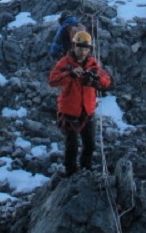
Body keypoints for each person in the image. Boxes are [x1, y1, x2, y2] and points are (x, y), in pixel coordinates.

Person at [48, 30, 112, 176]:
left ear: (89, 49)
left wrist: (96, 79)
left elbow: (107, 81)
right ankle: (70, 172)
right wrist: (69, 74)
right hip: (69, 110)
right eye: (79, 47)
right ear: (74, 46)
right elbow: (52, 80)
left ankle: (86, 169)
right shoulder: (65, 62)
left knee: (89, 144)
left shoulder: (93, 64)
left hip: (87, 110)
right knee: (72, 145)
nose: (82, 51)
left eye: (85, 48)